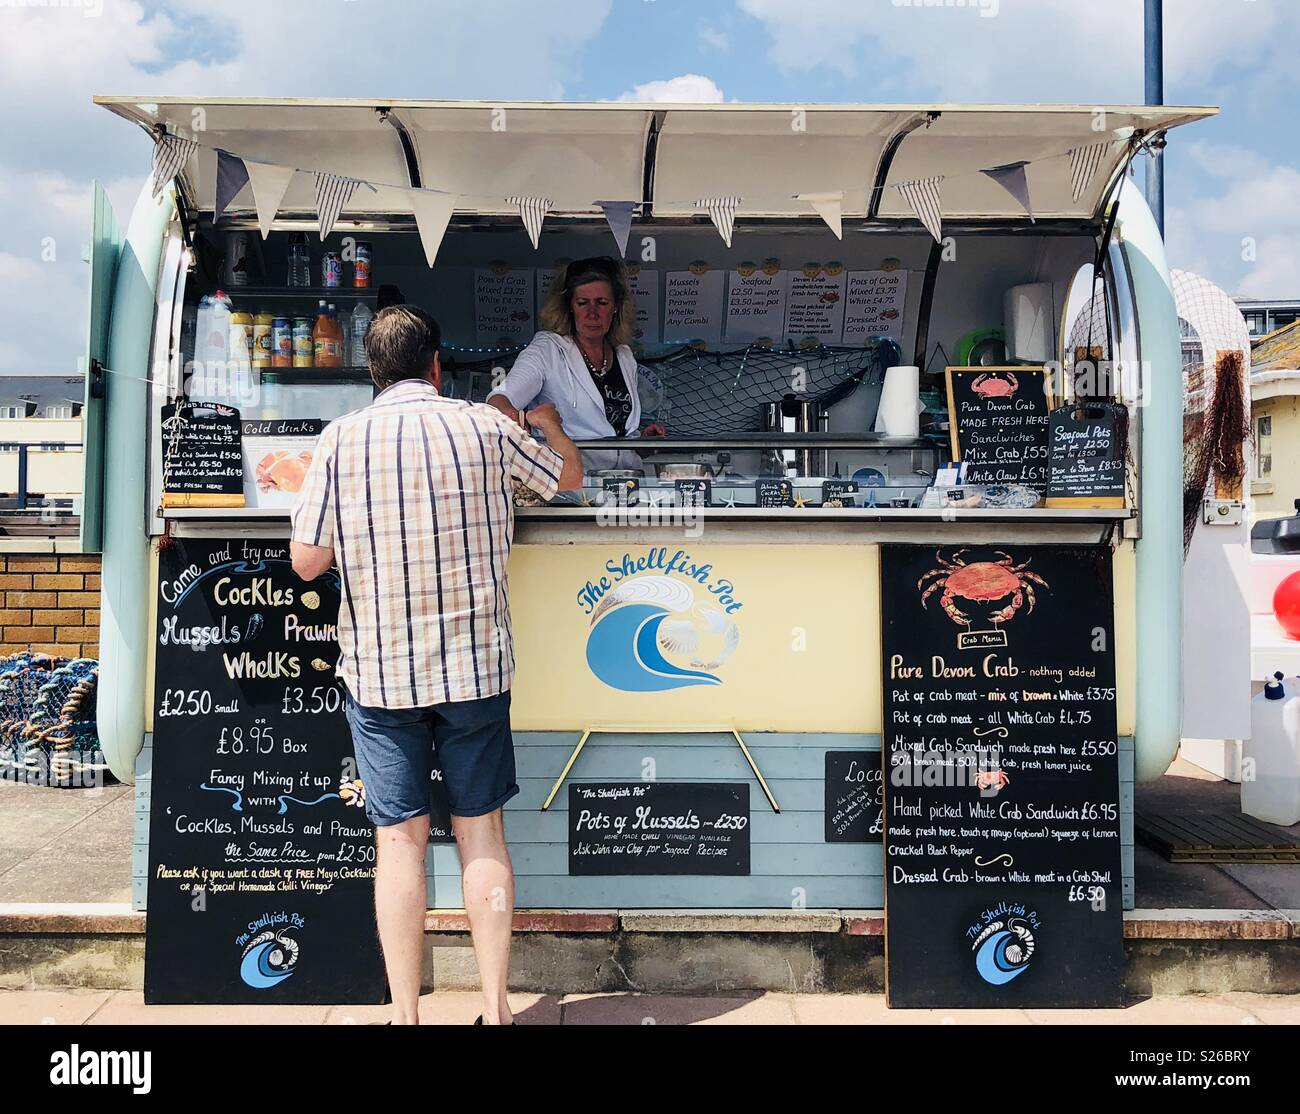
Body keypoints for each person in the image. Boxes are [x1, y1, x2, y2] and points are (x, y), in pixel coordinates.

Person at [289, 305, 582, 1025]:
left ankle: (405, 1017)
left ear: (373, 372)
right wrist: (546, 423)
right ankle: (495, 1009)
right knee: (481, 830)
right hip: (475, 670)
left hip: (383, 673)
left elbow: (306, 564)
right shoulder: (485, 426)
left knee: (400, 841)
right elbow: (565, 479)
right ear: (437, 366)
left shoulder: (340, 439)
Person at [487, 256, 664, 473]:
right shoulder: (547, 349)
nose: (592, 313)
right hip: (570, 487)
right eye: (582, 303)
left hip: (625, 483)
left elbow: (616, 434)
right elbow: (498, 401)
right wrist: (524, 420)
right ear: (569, 306)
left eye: (602, 303)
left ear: (616, 307)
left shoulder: (624, 356)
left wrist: (641, 442)